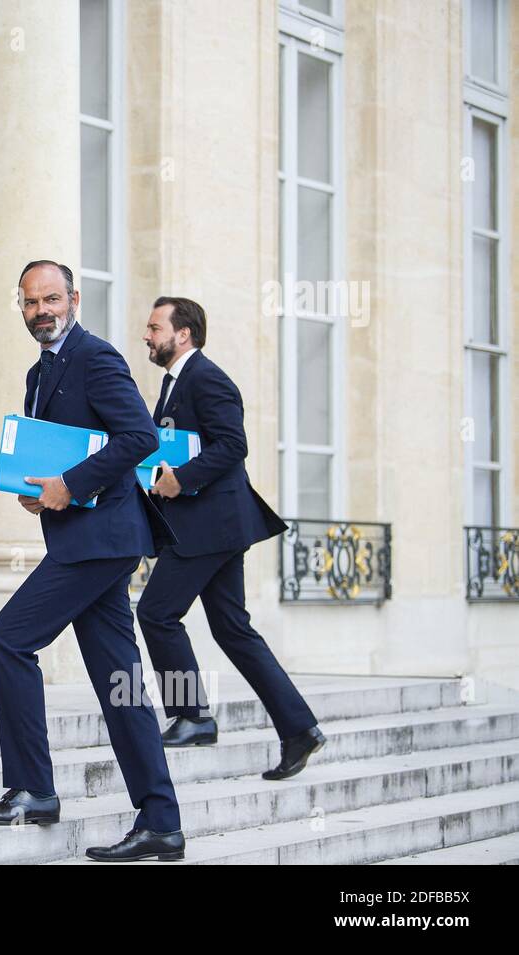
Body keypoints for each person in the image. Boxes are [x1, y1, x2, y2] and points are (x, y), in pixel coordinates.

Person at [0, 261, 186, 863]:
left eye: (52, 299)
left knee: (8, 640)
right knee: (122, 684)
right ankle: (161, 821)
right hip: (82, 541)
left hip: (102, 542)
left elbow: (139, 437)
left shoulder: (96, 356)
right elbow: (63, 447)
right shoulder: (39, 372)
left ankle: (35, 789)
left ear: (74, 299)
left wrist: (70, 486)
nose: (42, 311)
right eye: (31, 302)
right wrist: (41, 492)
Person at [137, 296, 325, 779]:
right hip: (213, 527)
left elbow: (232, 446)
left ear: (183, 334)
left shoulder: (208, 378)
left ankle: (193, 716)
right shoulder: (174, 382)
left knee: (156, 613)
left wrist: (182, 480)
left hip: (209, 526)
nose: (147, 335)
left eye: (155, 327)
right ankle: (299, 729)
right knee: (233, 629)